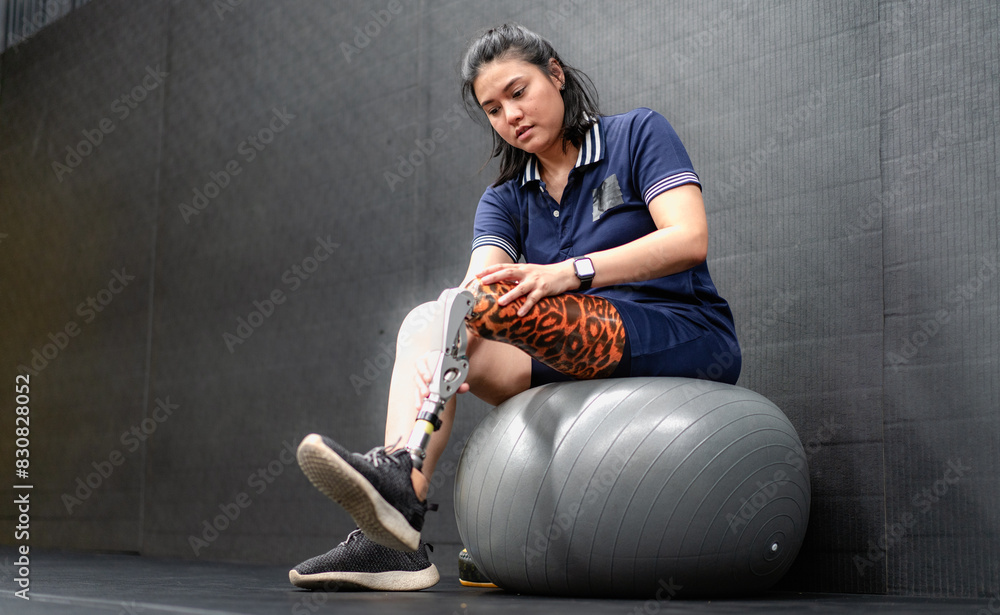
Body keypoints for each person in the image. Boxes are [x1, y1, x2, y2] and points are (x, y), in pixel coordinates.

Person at [288, 23, 740, 591]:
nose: (511, 115)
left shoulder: (637, 134)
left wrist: (569, 273)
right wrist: (447, 344)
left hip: (682, 334)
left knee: (486, 313)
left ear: (555, 73)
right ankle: (398, 516)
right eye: (493, 109)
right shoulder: (505, 198)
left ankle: (398, 493)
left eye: (518, 91)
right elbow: (478, 288)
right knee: (432, 321)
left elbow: (688, 239)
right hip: (569, 354)